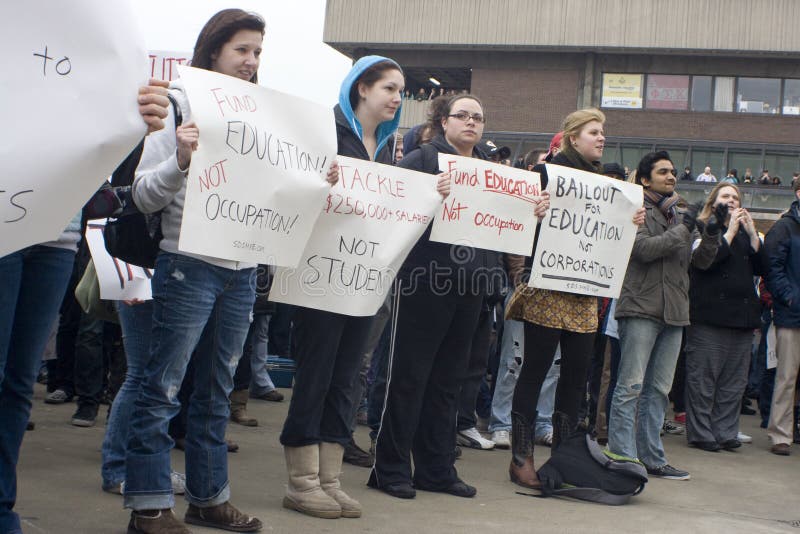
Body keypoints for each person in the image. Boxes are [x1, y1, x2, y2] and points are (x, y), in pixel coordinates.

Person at [124, 10, 338, 533]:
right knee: (162, 388)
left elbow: (279, 190)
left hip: (242, 269)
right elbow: (142, 194)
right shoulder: (179, 101)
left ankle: (208, 498)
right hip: (187, 262)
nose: (251, 61)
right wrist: (179, 158)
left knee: (217, 391)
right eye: (242, 49)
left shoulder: (268, 116)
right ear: (214, 49)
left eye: (258, 52)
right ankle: (149, 506)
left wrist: (318, 176)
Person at [0, 80, 169, 534]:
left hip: (58, 233)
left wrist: (140, 120)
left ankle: (2, 508)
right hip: (10, 224)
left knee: (17, 383)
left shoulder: (93, 65)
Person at [279, 55, 403, 520]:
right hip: (318, 276)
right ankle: (301, 481)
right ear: (361, 88)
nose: (397, 98)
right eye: (389, 88)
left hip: (362, 280)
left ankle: (328, 479)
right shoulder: (326, 132)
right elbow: (291, 185)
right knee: (316, 373)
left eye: (399, 90)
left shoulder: (385, 147)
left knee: (347, 375)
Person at [504, 109, 645, 490]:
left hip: (584, 292)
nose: (601, 138)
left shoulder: (604, 184)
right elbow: (516, 221)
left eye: (602, 133)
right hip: (549, 285)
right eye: (594, 132)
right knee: (535, 370)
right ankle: (521, 457)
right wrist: (534, 214)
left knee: (576, 375)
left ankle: (564, 456)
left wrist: (630, 222)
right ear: (572, 136)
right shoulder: (547, 174)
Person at [369, 94, 499, 500]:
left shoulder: (490, 170)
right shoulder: (423, 160)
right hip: (423, 284)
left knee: (449, 383)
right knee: (408, 378)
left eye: (478, 117)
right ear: (444, 122)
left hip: (471, 288)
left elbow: (506, 224)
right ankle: (389, 468)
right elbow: (387, 205)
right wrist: (427, 193)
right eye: (463, 115)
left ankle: (436, 469)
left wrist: (535, 209)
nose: (471, 123)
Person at [609, 151, 700, 481]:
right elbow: (644, 250)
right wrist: (684, 229)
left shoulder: (680, 214)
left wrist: (714, 232)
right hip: (641, 308)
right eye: (663, 172)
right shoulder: (635, 209)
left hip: (675, 311)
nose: (672, 176)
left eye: (674, 172)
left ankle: (652, 458)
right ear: (645, 179)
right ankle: (622, 454)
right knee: (630, 386)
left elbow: (699, 263)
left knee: (659, 391)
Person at [685, 183, 765, 451]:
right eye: (725, 196)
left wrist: (752, 235)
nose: (731, 200)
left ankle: (726, 431)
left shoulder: (747, 234)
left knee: (734, 383)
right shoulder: (703, 226)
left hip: (742, 318)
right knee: (703, 380)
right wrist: (728, 232)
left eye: (735, 197)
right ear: (714, 200)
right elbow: (705, 262)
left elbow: (762, 268)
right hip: (709, 316)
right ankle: (701, 432)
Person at [764, 179, 800, 455]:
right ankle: (780, 434)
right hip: (792, 314)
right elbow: (772, 268)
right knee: (787, 376)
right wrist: (790, 297)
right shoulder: (785, 227)